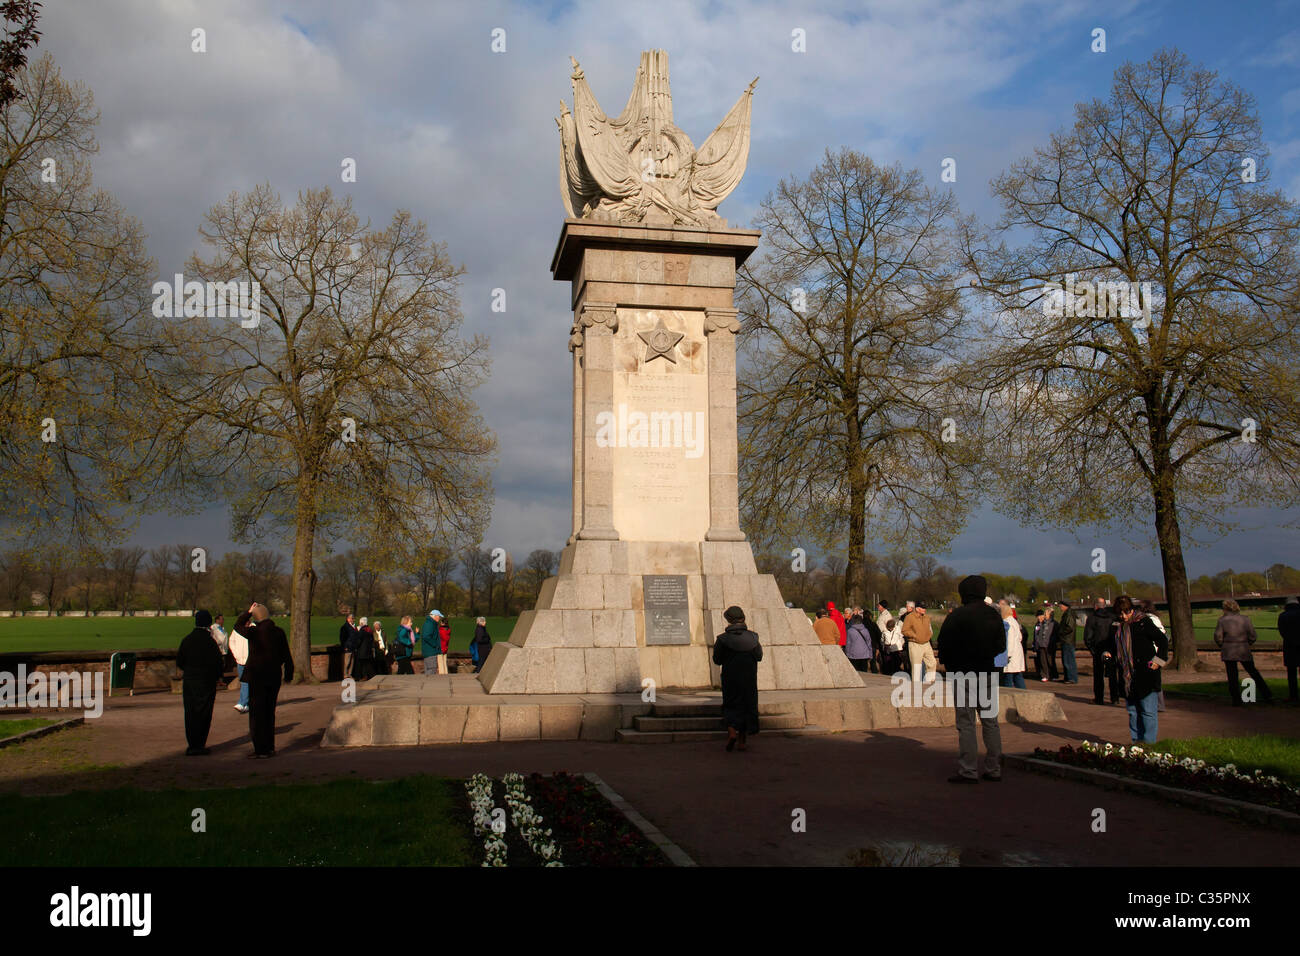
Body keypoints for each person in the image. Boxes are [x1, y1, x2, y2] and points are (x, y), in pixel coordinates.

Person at [936, 575, 1004, 783]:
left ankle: (968, 769)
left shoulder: (957, 616)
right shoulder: (993, 616)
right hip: (987, 673)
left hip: (963, 673)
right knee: (990, 722)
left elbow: (943, 645)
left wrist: (951, 666)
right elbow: (1001, 646)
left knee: (966, 723)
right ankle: (994, 768)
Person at [1099, 595, 1167, 742]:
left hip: (1146, 673)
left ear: (1131, 609)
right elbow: (1110, 645)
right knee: (1133, 712)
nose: (1123, 616)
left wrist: (1159, 661)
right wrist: (1107, 653)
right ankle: (1136, 742)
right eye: (1120, 613)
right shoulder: (1116, 626)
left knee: (1148, 711)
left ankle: (1149, 744)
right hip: (1127, 676)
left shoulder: (1143, 622)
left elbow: (1162, 640)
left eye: (1126, 612)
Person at [233, 602, 294, 758]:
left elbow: (238, 626)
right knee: (269, 712)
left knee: (256, 714)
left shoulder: (254, 632)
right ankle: (270, 747)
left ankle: (260, 748)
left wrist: (248, 612)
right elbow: (286, 655)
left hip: (257, 676)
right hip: (273, 677)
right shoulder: (278, 632)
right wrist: (288, 674)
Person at [712, 605, 762, 752]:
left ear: (728, 620)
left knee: (730, 705)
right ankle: (742, 741)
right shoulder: (753, 638)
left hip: (730, 678)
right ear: (743, 618)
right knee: (747, 706)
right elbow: (759, 656)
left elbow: (717, 659)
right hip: (749, 678)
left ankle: (732, 732)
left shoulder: (722, 639)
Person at [177, 610, 224, 755]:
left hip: (190, 681)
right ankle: (200, 744)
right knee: (204, 712)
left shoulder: (187, 640)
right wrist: (217, 677)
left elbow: (180, 662)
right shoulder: (210, 642)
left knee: (190, 712)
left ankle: (192, 744)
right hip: (206, 681)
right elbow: (218, 663)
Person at [1213, 599, 1273, 706]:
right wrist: (1247, 643)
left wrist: (1223, 645)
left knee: (1232, 675)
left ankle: (1236, 699)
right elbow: (1253, 635)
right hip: (1243, 648)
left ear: (1225, 608)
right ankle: (1267, 695)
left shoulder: (1222, 621)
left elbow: (1218, 637)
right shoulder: (1245, 619)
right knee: (1253, 672)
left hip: (1229, 649)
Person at [1083, 598, 1120, 705]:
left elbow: (1087, 637)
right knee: (1113, 674)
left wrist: (1092, 650)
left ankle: (1099, 698)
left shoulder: (1092, 618)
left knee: (1098, 675)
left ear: (1096, 606)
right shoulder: (1113, 617)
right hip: (1111, 648)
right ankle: (1115, 697)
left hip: (1098, 649)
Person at [902, 603, 936, 683]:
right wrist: (914, 635)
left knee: (932, 662)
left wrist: (929, 635)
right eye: (923, 608)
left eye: (925, 607)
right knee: (916, 666)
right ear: (917, 609)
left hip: (926, 643)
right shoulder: (909, 617)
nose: (925, 609)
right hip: (915, 644)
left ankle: (929, 682)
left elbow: (930, 629)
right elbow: (904, 630)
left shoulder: (927, 617)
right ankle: (916, 685)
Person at [1278, 597, 1300, 704]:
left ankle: (1293, 696)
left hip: (1290, 647)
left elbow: (1282, 631)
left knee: (1291, 674)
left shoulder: (1283, 616)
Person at [1001, 604, 1027, 688]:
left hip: (1011, 654)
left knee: (1008, 678)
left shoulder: (1007, 622)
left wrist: (1008, 655)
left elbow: (1010, 640)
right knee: (1018, 676)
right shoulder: (1014, 622)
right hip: (1017, 653)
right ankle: (1024, 694)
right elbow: (1020, 637)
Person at [844, 607, 875, 672]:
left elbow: (848, 644)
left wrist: (847, 654)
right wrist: (870, 655)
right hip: (864, 655)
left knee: (856, 672)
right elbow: (869, 643)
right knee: (864, 672)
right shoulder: (866, 630)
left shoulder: (850, 631)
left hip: (853, 655)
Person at [1033, 603, 1058, 681]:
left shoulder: (1054, 623)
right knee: (1043, 661)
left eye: (1046, 614)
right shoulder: (1041, 623)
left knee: (1050, 661)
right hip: (1042, 645)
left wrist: (1053, 642)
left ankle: (1053, 675)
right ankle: (1045, 675)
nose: (1044, 615)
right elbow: (1038, 634)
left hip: (1050, 645)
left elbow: (1056, 634)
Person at [1056, 601, 1079, 683]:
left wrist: (1060, 632)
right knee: (1067, 660)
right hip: (1066, 640)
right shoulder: (1068, 614)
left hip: (1068, 640)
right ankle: (1068, 677)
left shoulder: (1068, 614)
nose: (1060, 607)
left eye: (1061, 606)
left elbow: (1070, 627)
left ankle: (1071, 678)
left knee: (1069, 660)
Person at [355, 616, 376, 681]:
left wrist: (356, 647)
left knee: (361, 665)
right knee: (368, 664)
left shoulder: (362, 631)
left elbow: (359, 641)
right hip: (368, 650)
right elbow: (372, 640)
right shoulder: (370, 630)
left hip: (362, 650)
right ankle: (371, 676)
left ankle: (362, 677)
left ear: (362, 623)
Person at [420, 610, 441, 675]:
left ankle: (426, 683)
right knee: (432, 669)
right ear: (435, 616)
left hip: (430, 651)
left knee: (430, 669)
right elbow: (426, 636)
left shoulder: (431, 623)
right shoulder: (430, 624)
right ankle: (427, 683)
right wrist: (435, 644)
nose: (440, 618)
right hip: (430, 651)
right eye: (439, 616)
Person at [339, 613, 359, 680]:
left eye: (353, 618)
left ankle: (349, 674)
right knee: (346, 662)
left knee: (352, 662)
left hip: (353, 647)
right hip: (347, 647)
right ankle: (345, 675)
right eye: (352, 618)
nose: (353, 619)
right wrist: (345, 646)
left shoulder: (354, 627)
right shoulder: (344, 627)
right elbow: (342, 638)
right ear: (348, 619)